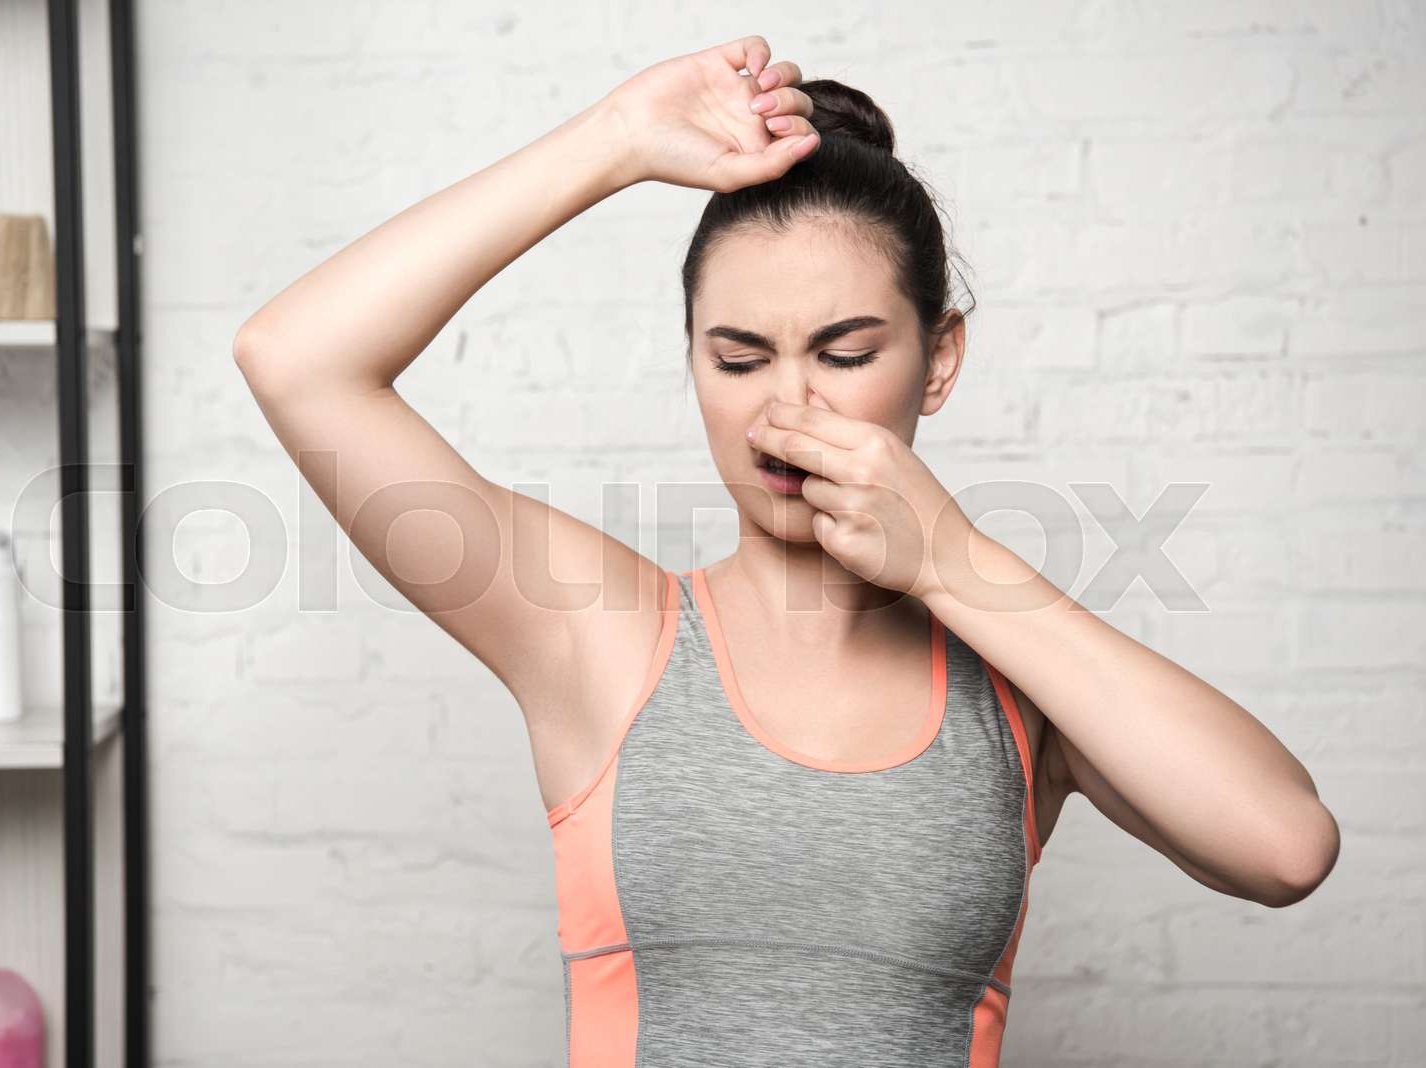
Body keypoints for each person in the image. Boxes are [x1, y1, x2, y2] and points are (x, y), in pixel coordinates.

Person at [233, 34, 1340, 1066]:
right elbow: (295, 357)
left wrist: (950, 558)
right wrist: (614, 140)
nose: (785, 409)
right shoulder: (604, 636)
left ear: (938, 360)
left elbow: (1284, 849)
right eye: (738, 358)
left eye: (845, 352)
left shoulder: (1017, 677)